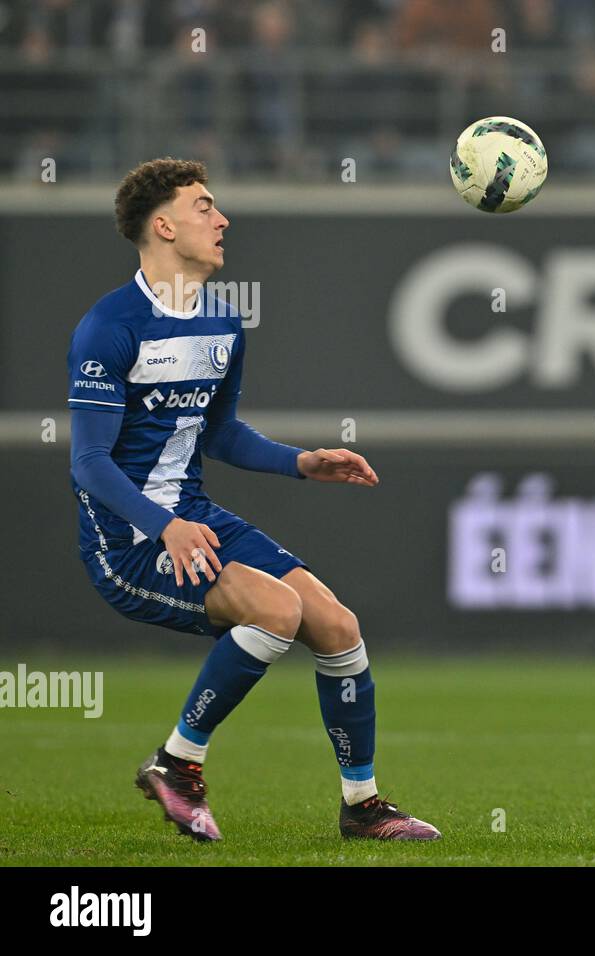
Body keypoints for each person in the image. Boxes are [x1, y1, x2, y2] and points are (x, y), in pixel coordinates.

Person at [67, 158, 441, 842]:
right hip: (127, 540)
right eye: (204, 206)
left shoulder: (221, 320)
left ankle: (362, 805)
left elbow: (222, 433)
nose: (222, 219)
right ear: (163, 224)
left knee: (338, 626)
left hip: (195, 516)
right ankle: (177, 763)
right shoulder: (109, 328)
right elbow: (88, 462)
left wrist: (303, 462)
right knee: (276, 608)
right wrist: (163, 527)